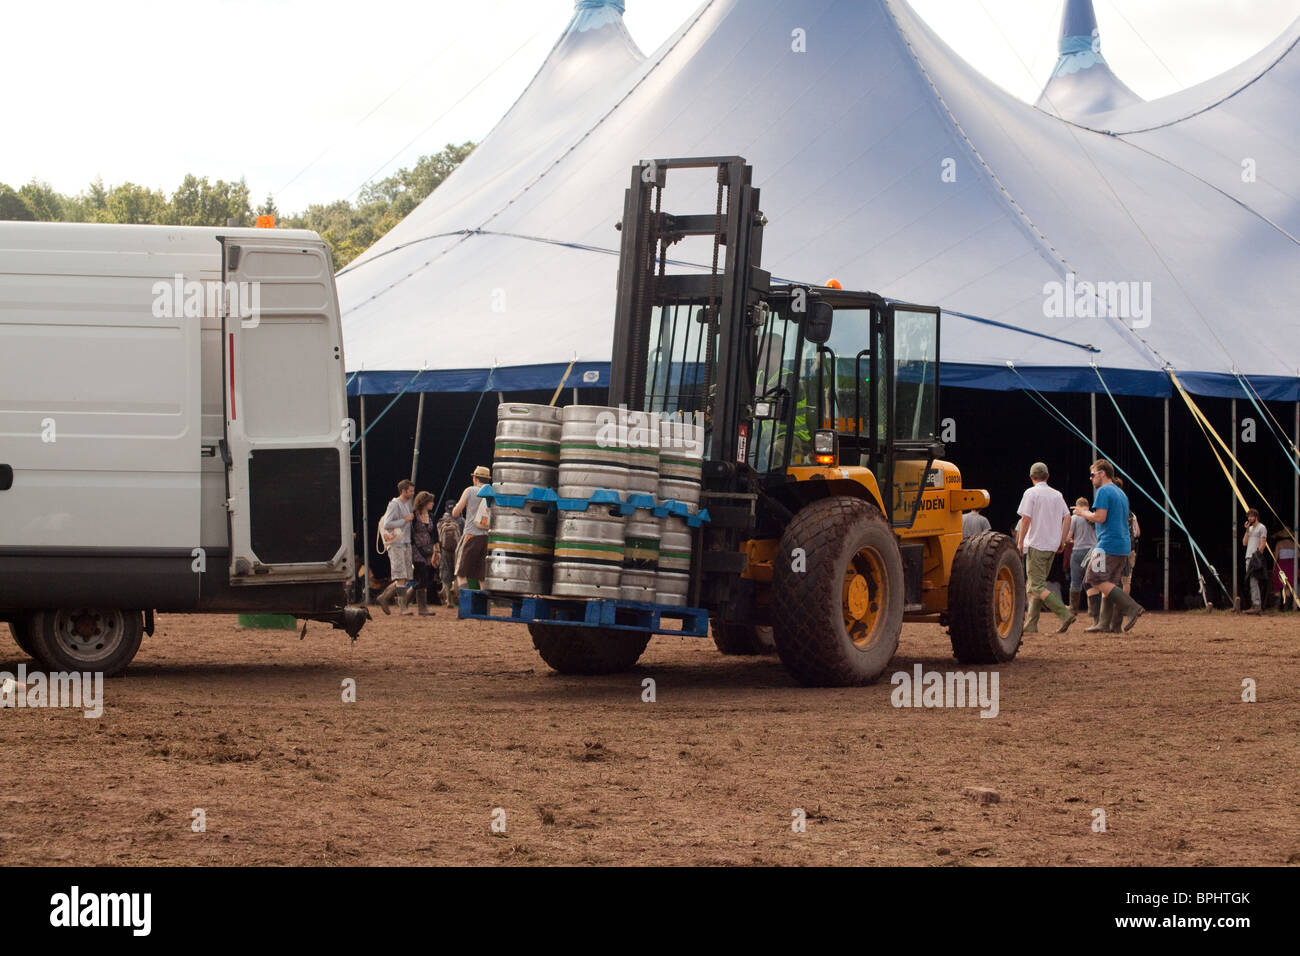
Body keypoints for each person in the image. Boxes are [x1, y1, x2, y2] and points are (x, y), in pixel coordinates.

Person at [1074, 459, 1144, 632]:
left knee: (1094, 578)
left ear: (1102, 473)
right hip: (1123, 545)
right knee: (1109, 582)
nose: (1091, 478)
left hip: (1108, 544)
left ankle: (1132, 608)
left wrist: (1082, 512)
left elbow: (1100, 517)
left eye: (1093, 474)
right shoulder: (1121, 493)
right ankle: (1105, 624)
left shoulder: (1103, 491)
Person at [1016, 462, 1076, 634]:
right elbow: (1068, 517)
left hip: (1036, 544)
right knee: (1037, 585)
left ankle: (1064, 614)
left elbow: (1026, 519)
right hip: (1052, 546)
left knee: (1035, 586)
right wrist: (1062, 541)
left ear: (1031, 477)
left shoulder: (1030, 493)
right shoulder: (1057, 495)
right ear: (1047, 476)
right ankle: (1031, 624)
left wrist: (1020, 542)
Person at [377, 479, 415, 614]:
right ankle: (402, 607)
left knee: (404, 575)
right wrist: (404, 520)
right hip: (396, 543)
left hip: (405, 542)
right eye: (410, 490)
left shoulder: (408, 503)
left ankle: (385, 597)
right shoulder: (394, 504)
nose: (412, 493)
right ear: (403, 491)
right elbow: (387, 524)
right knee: (400, 575)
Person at [452, 465, 492, 590]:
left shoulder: (470, 490)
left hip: (471, 535)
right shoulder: (492, 493)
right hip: (486, 538)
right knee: (481, 576)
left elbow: (456, 512)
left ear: (475, 478)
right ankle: (485, 606)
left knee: (461, 573)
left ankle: (466, 602)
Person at [1064, 496, 1097, 616]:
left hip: (1078, 551)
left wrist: (1068, 540)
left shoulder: (1075, 518)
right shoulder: (1094, 516)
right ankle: (1093, 610)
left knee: (1075, 581)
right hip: (1093, 551)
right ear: (1088, 506)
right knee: (1092, 580)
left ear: (1077, 506)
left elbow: (1069, 537)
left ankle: (1073, 609)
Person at [409, 491, 438, 617]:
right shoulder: (414, 516)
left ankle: (421, 607)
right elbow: (410, 534)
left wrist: (436, 550)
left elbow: (434, 534)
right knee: (423, 577)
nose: (433, 503)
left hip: (428, 550)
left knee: (425, 578)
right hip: (416, 549)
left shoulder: (431, 516)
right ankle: (406, 599)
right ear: (424, 503)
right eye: (431, 501)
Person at [1242, 508, 1268, 614]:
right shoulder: (1250, 528)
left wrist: (1258, 555)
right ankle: (1255, 604)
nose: (1249, 518)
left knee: (1254, 580)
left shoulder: (1262, 527)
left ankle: (1257, 605)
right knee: (1251, 581)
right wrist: (1247, 529)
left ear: (1256, 516)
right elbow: (1244, 543)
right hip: (1248, 556)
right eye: (1248, 516)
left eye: (1251, 516)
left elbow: (1263, 543)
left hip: (1255, 557)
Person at [437, 502, 462, 605]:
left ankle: (449, 600)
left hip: (445, 550)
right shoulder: (461, 520)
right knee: (458, 572)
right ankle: (456, 593)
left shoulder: (441, 521)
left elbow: (438, 537)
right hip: (458, 549)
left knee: (446, 573)